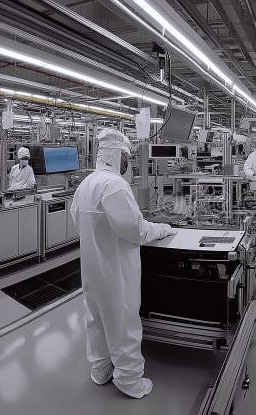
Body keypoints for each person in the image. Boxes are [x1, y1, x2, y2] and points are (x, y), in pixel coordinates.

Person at [70, 129, 176, 398]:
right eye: (127, 159)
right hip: (115, 269)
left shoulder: (86, 184)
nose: (128, 164)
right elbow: (136, 230)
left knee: (96, 319)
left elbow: (78, 223)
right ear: (117, 156)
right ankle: (129, 380)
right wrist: (163, 228)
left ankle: (100, 369)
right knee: (122, 320)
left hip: (92, 268)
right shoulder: (115, 185)